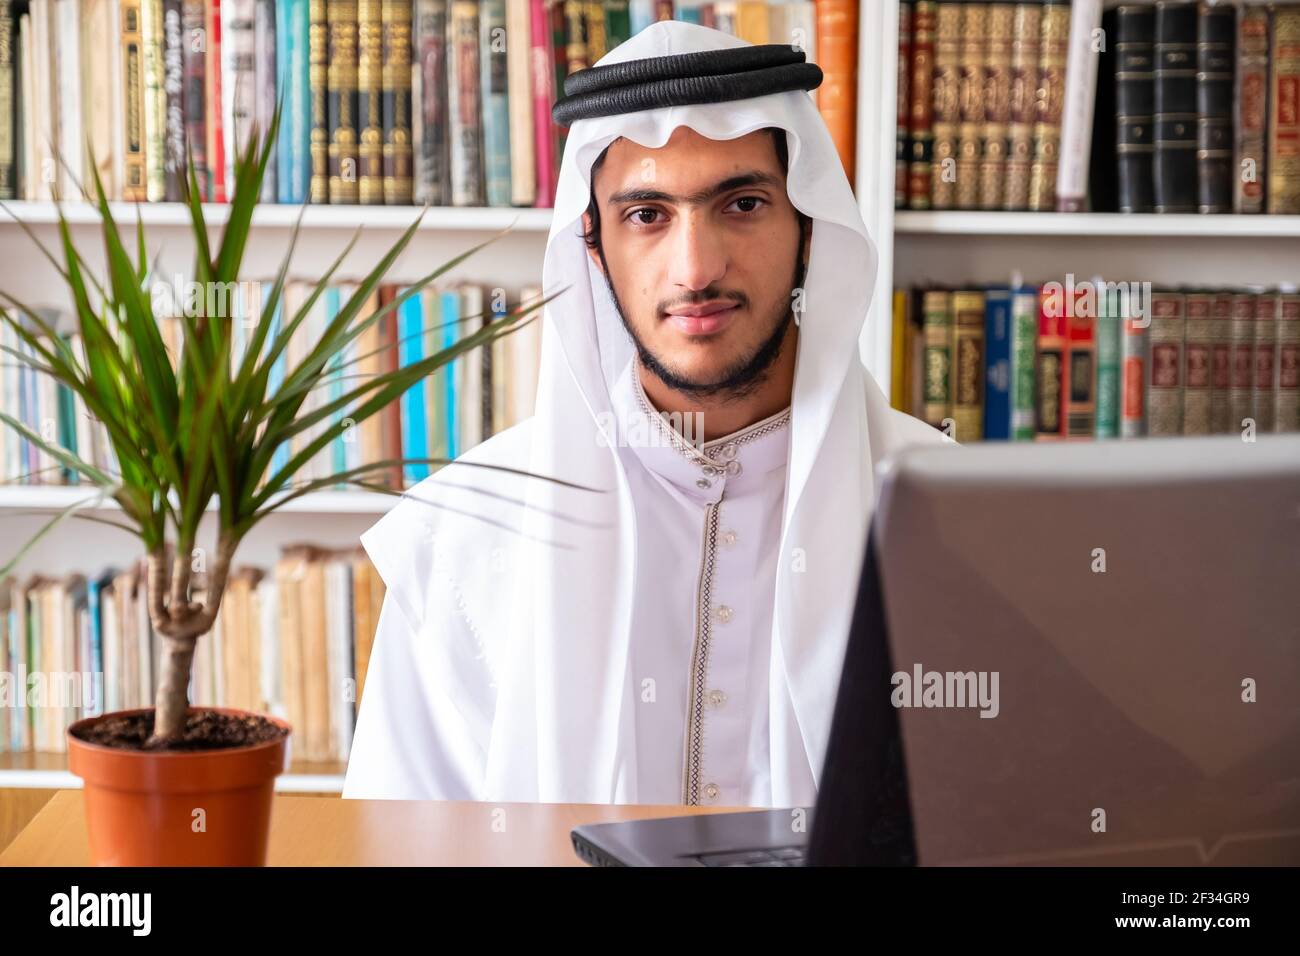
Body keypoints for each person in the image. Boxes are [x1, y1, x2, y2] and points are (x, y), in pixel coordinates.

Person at [342, 20, 948, 807]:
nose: (696, 268)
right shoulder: (458, 543)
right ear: (592, 245)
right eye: (646, 214)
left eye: (742, 203)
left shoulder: (951, 522)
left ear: (806, 229)